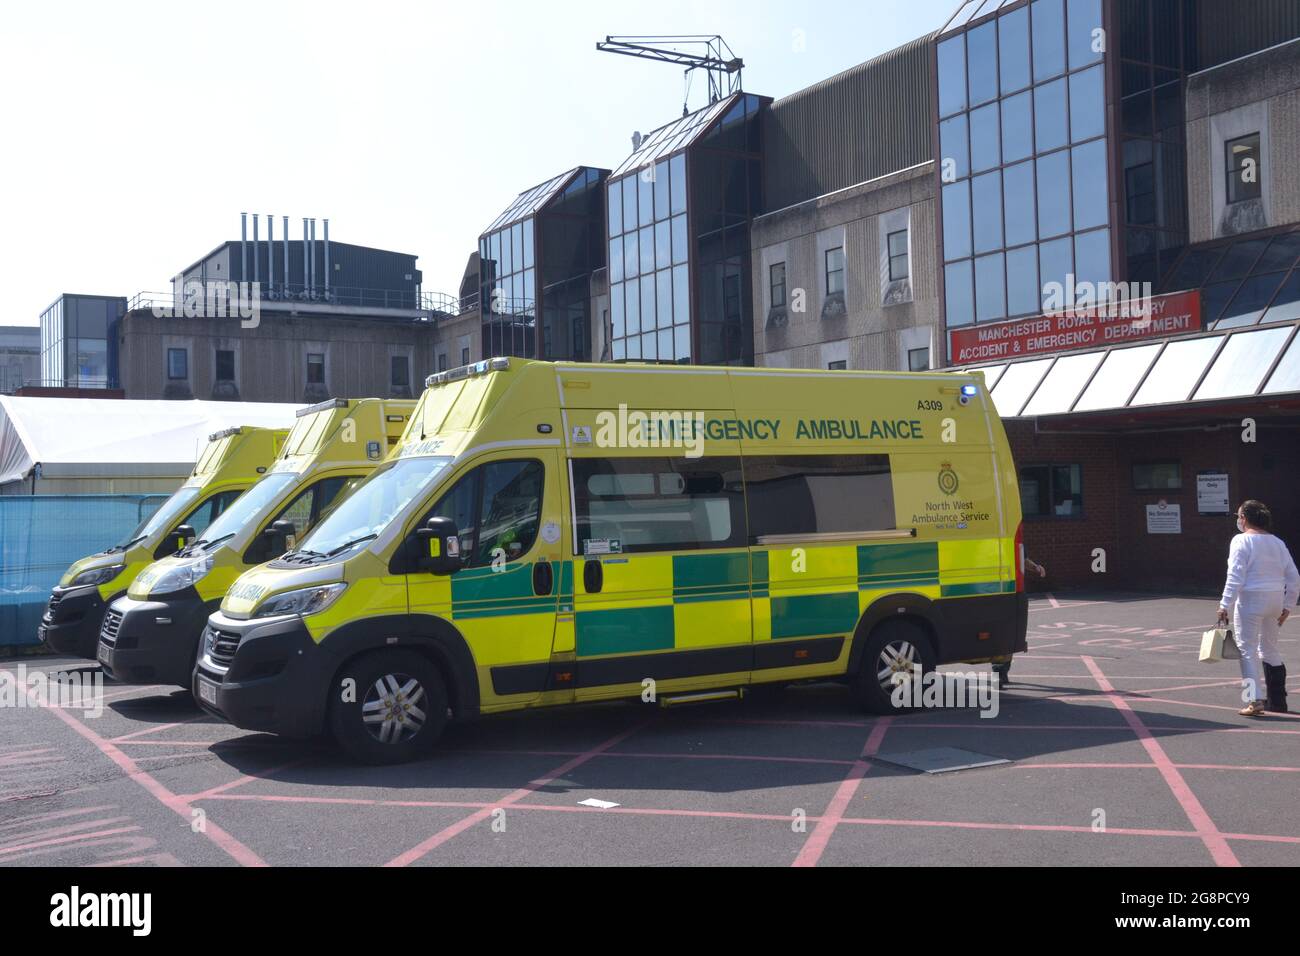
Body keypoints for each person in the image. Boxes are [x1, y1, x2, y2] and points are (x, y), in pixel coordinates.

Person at [1216, 500, 1299, 717]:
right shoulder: (1278, 543)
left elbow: (1235, 576)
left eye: (1239, 516)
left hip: (1251, 600)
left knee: (1246, 650)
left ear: (1244, 518)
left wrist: (1225, 603)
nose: (1238, 519)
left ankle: (1253, 699)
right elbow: (1294, 577)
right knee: (1270, 649)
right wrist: (1288, 605)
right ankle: (1278, 701)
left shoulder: (1241, 541)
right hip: (1275, 600)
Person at [993, 558, 1047, 686]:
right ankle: (1000, 672)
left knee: (1005, 634)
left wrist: (1036, 567)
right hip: (1006, 593)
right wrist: (1036, 567)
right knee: (1005, 634)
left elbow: (1022, 558)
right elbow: (1022, 558)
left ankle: (1001, 672)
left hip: (1003, 592)